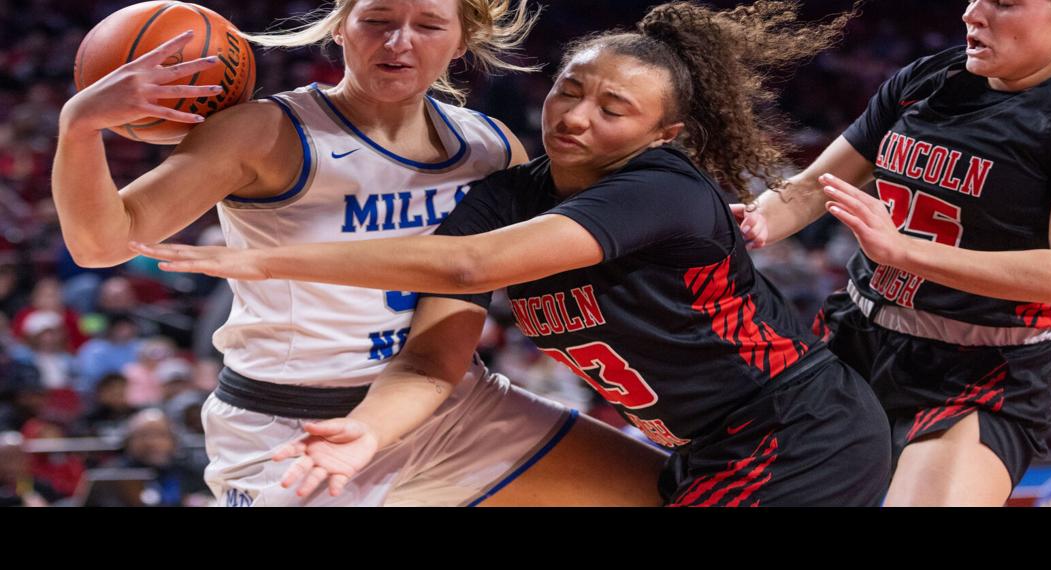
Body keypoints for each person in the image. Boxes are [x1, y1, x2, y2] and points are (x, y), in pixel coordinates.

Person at [138, 1, 892, 507]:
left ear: (662, 135)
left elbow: (471, 268)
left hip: (797, 431)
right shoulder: (504, 195)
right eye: (571, 90)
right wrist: (368, 431)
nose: (577, 116)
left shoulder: (661, 189)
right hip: (709, 445)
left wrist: (272, 259)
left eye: (613, 108)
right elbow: (432, 358)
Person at [54, 0, 653, 507]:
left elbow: (583, 235)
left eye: (428, 24)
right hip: (290, 425)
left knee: (663, 489)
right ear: (341, 24)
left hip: (449, 404)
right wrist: (80, 128)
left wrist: (706, 217)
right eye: (378, 20)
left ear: (462, 38)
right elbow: (102, 243)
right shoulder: (265, 131)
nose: (400, 42)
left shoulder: (490, 147)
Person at [733, 0, 1051, 505]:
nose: (972, 14)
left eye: (1004, 3)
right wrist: (751, 220)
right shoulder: (931, 75)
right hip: (856, 337)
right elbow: (814, 186)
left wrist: (904, 251)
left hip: (980, 367)